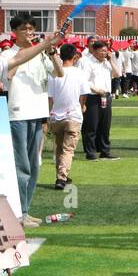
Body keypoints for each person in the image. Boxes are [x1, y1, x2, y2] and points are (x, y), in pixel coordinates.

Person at [0, 13, 65, 227]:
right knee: (22, 166)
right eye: (24, 29)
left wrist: (51, 50)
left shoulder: (41, 54)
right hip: (17, 114)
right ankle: (17, 213)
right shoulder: (7, 53)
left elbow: (60, 73)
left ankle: (25, 210)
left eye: (31, 29)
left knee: (35, 166)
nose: (29, 33)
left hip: (38, 114)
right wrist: (25, 52)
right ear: (15, 32)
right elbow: (7, 75)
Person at [46, 43, 89, 192]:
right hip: (73, 115)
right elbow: (83, 95)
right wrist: (82, 107)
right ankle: (62, 177)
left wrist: (49, 113)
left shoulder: (53, 73)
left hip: (56, 115)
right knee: (68, 150)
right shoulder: (79, 73)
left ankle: (61, 174)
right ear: (74, 56)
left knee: (59, 148)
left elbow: (50, 98)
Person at [81, 40, 119, 161]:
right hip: (93, 97)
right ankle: (90, 153)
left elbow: (117, 74)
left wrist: (111, 60)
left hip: (106, 97)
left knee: (105, 126)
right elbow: (84, 81)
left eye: (106, 50)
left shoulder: (107, 63)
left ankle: (104, 151)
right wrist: (96, 90)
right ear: (94, 50)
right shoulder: (87, 62)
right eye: (102, 50)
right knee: (91, 126)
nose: (104, 53)